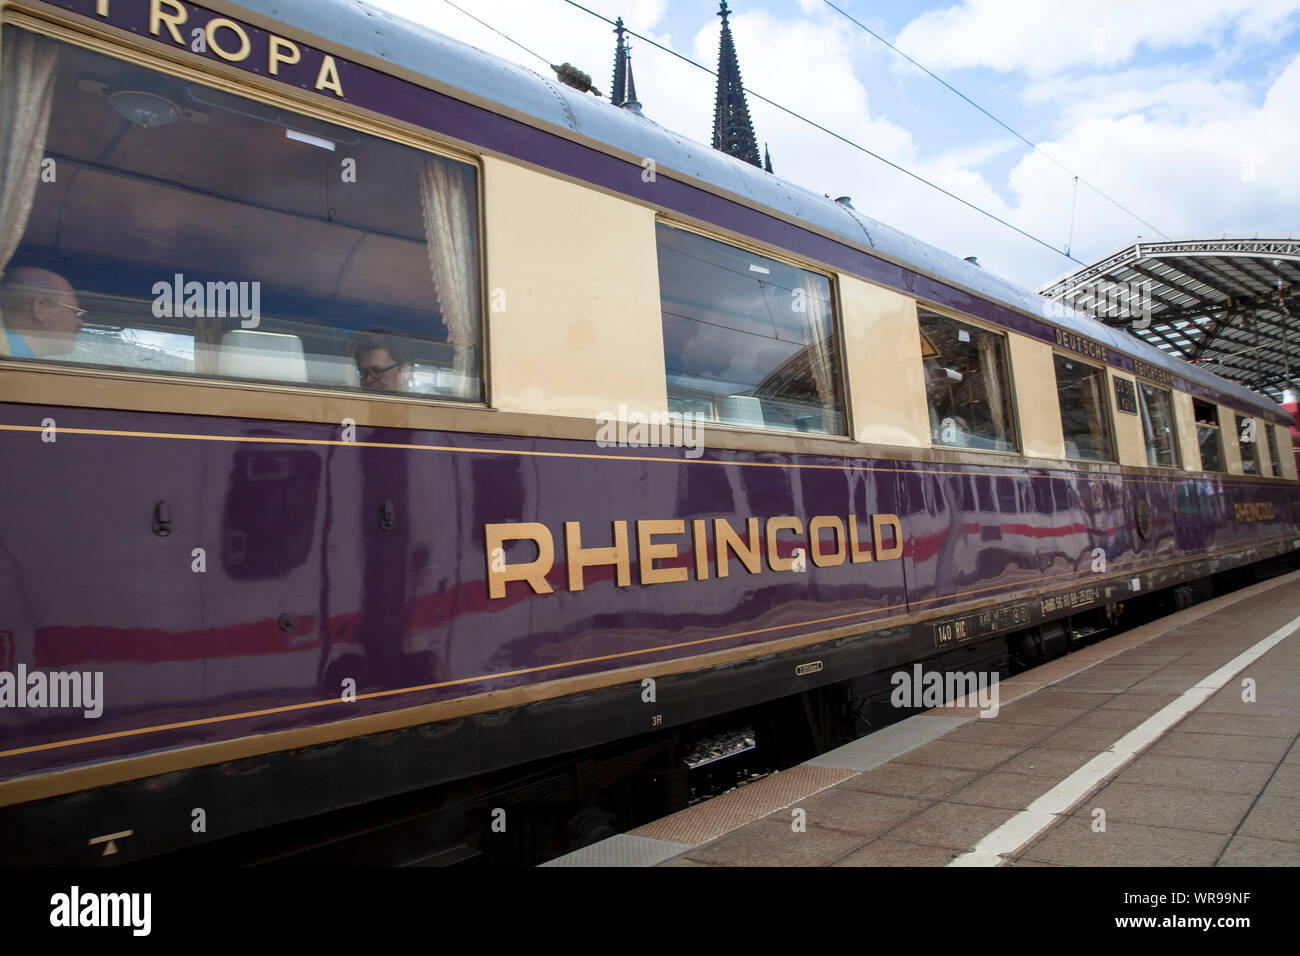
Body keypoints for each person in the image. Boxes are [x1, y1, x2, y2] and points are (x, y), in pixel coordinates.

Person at [0, 267, 84, 359]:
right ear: (41, 308)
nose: (81, 323)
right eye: (74, 312)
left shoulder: (18, 359)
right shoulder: (13, 362)